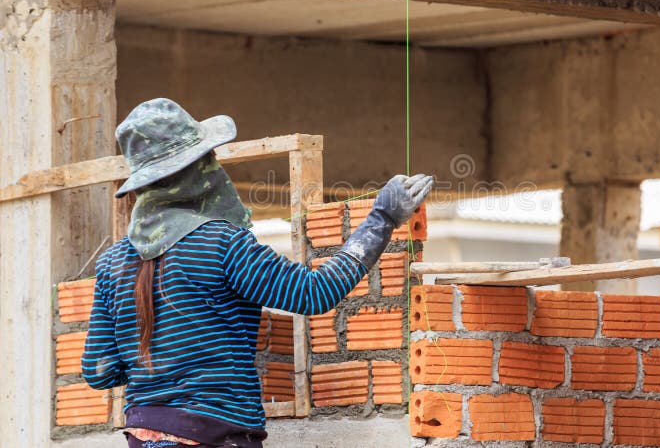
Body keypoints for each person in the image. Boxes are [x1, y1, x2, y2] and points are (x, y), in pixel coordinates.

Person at [81, 98, 434, 448]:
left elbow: (100, 371)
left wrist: (162, 355)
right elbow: (314, 293)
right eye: (207, 158)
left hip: (143, 436)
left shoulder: (113, 263)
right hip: (215, 435)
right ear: (193, 175)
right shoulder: (221, 243)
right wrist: (382, 220)